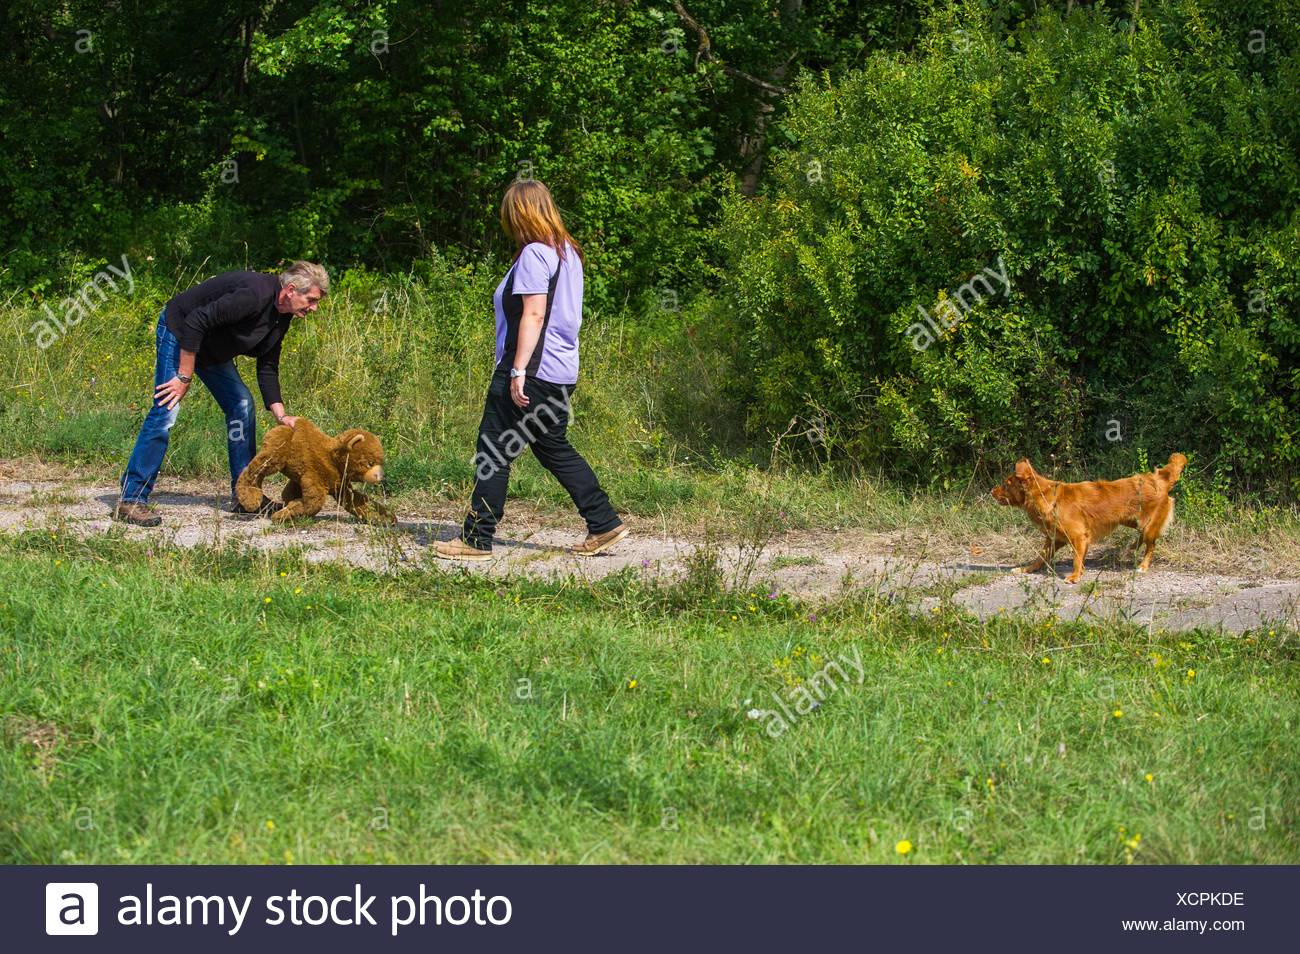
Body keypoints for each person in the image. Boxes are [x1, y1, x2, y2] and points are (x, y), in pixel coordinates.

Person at [435, 180, 627, 560]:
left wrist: (518, 369)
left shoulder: (535, 255)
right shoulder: (568, 252)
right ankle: (603, 522)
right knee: (552, 445)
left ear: (519, 215)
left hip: (532, 370)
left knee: (493, 451)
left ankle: (477, 538)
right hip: (561, 371)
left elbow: (535, 313)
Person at [112, 261, 328, 527]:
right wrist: (184, 377)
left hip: (210, 350)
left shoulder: (281, 314)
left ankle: (245, 495)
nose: (314, 307)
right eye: (311, 299)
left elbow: (268, 364)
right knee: (166, 410)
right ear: (291, 290)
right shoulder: (253, 295)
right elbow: (195, 321)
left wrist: (282, 416)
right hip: (179, 332)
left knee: (242, 405)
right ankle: (132, 498)